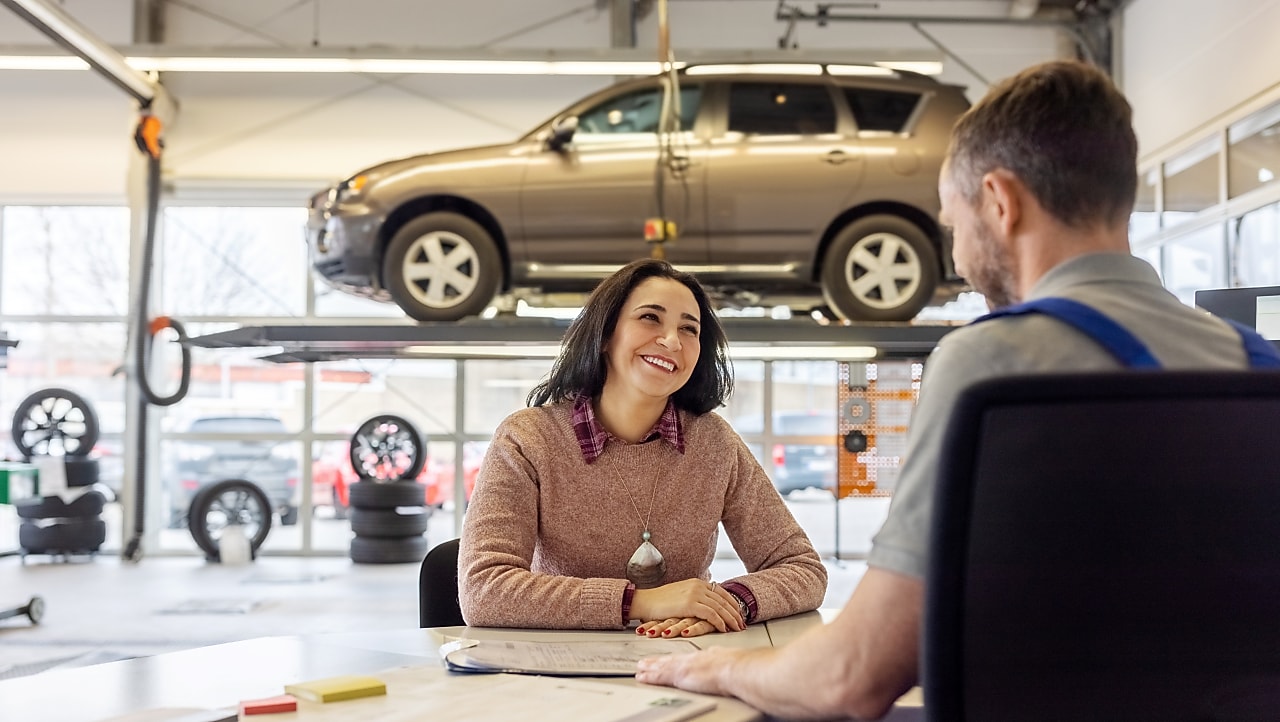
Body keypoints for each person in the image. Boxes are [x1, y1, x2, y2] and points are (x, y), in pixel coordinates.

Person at [636, 59, 1279, 718]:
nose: (959, 258)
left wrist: (717, 668)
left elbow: (851, 677)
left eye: (952, 225)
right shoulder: (1259, 368)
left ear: (1000, 202)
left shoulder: (990, 360)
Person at [458, 258, 827, 638]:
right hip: (557, 661)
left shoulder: (715, 443)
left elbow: (803, 568)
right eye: (650, 318)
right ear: (605, 334)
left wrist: (726, 603)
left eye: (689, 328)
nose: (672, 341)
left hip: (682, 656)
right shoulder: (528, 439)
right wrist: (642, 602)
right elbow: (484, 589)